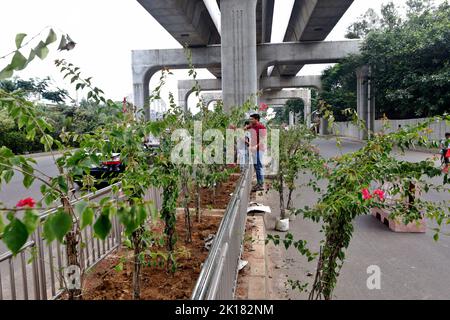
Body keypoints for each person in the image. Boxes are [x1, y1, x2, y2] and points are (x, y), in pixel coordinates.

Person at [245, 114, 266, 192]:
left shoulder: (262, 127)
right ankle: (259, 183)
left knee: (259, 166)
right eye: (250, 119)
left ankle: (261, 184)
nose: (250, 120)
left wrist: (255, 146)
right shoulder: (252, 126)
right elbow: (243, 129)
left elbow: (262, 140)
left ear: (256, 119)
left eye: (252, 119)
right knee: (256, 167)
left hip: (259, 149)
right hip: (254, 149)